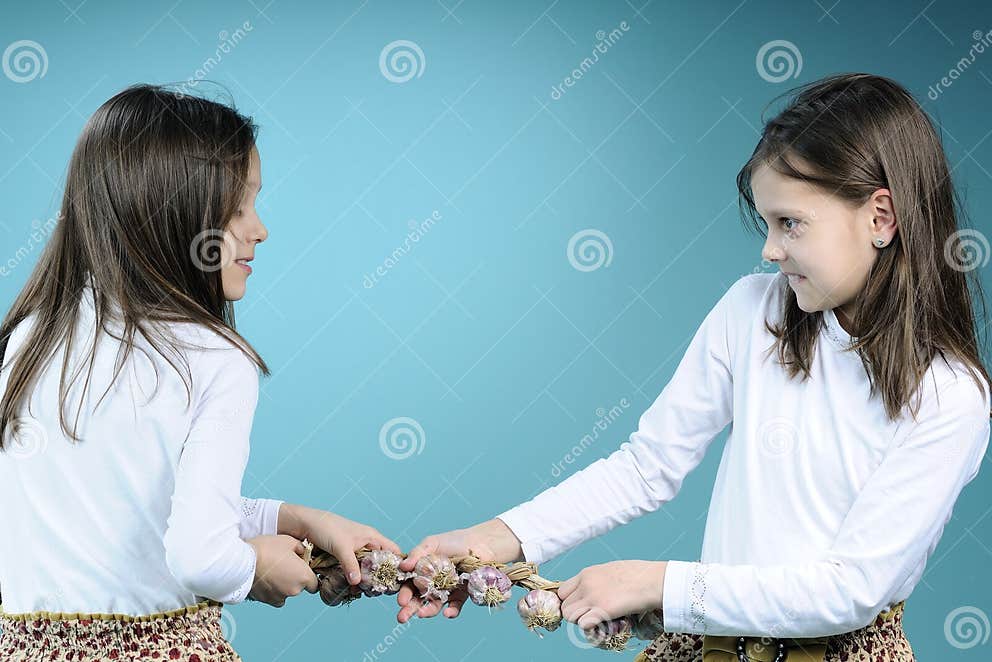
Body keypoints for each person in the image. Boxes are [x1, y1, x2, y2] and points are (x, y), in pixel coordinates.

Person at [395, 73, 992, 661]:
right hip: (711, 640)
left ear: (880, 218)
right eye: (766, 224)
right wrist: (494, 540)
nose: (770, 249)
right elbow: (646, 467)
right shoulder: (753, 310)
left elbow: (850, 591)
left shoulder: (949, 396)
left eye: (791, 223)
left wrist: (660, 584)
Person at [0, 84, 399, 660]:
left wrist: (299, 520)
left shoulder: (30, 341)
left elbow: (139, 507)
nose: (259, 229)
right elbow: (200, 557)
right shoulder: (214, 359)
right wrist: (254, 566)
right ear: (174, 210)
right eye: (239, 206)